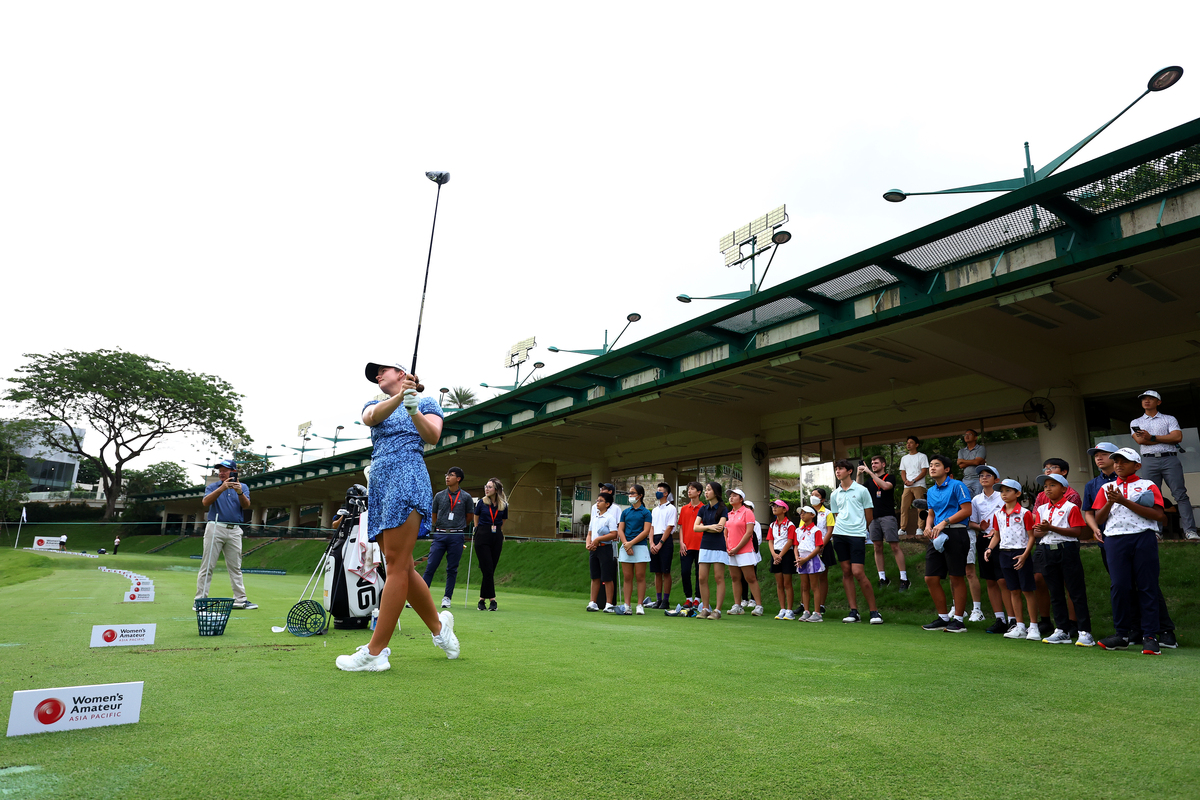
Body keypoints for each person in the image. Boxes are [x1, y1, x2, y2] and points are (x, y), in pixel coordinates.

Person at [336, 361, 458, 672]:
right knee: (399, 564)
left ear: (402, 373)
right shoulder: (375, 403)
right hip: (381, 483)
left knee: (396, 564)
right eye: (375, 373)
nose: (377, 375)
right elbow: (370, 418)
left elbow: (432, 436)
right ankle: (438, 626)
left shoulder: (427, 402)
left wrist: (414, 407)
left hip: (408, 477)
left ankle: (376, 651)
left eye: (383, 370)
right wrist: (400, 397)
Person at [1083, 442, 1177, 649]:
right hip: (1115, 539)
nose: (1118, 465)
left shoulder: (1147, 485)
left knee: (1147, 586)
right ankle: (1122, 635)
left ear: (1137, 465)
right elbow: (1099, 517)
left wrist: (1124, 501)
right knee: (1119, 586)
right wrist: (1110, 501)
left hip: (1143, 537)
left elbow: (1160, 516)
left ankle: (1151, 636)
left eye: (1124, 461)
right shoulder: (1106, 488)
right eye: (1116, 461)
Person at [1032, 473, 1094, 646]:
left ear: (1064, 489)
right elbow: (1036, 533)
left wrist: (1050, 527)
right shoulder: (1042, 509)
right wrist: (1045, 529)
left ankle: (1084, 631)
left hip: (1067, 550)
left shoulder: (1070, 507)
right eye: (1045, 486)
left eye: (1053, 485)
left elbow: (1076, 532)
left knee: (1075, 591)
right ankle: (1061, 630)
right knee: (1055, 592)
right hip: (1047, 550)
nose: (1048, 489)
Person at [1131, 389, 1197, 539]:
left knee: (1180, 494)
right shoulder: (1136, 422)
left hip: (1169, 459)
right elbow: (1141, 440)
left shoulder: (1169, 418)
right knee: (1152, 496)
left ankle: (1190, 531)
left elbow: (1177, 437)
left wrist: (1152, 437)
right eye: (1144, 399)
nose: (1146, 401)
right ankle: (1156, 532)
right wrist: (1166, 437)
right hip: (1148, 460)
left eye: (1151, 398)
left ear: (1158, 402)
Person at [195, 458, 257, 611]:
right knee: (208, 565)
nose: (221, 473)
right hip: (215, 527)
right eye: (220, 470)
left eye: (225, 470)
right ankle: (200, 600)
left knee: (235, 567)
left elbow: (246, 505)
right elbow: (205, 502)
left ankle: (240, 599)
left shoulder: (243, 487)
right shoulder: (213, 487)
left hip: (235, 529)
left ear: (233, 472)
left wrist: (239, 492)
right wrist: (222, 488)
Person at [920, 455, 972, 633]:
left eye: (937, 465)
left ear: (947, 469)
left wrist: (945, 522)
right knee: (930, 577)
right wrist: (928, 526)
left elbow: (967, 510)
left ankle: (958, 620)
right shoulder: (931, 491)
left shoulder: (958, 485)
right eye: (931, 465)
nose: (932, 468)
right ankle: (943, 617)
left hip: (956, 532)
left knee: (956, 577)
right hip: (937, 534)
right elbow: (931, 513)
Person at [982, 479, 1038, 640]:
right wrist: (989, 549)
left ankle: (1033, 626)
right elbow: (997, 535)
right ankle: (1020, 626)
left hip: (1021, 552)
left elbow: (1031, 536)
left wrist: (1025, 554)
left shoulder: (1025, 513)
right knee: (1013, 590)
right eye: (1002, 491)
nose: (1004, 494)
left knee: (1027, 590)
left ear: (1018, 494)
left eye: (1008, 491)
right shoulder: (998, 514)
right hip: (1004, 554)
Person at [829, 459, 881, 624]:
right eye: (836, 469)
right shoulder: (834, 494)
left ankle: (874, 612)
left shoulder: (862, 490)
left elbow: (869, 515)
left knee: (858, 572)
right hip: (839, 535)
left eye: (841, 469)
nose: (838, 472)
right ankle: (854, 611)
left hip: (857, 536)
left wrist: (860, 530)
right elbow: (837, 515)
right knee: (846, 572)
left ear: (849, 471)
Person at [967, 465, 1013, 633]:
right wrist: (980, 526)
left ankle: (1012, 619)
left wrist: (997, 529)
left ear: (996, 480)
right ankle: (1000, 619)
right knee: (990, 581)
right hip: (984, 540)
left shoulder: (1003, 497)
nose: (984, 477)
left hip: (1003, 541)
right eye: (981, 475)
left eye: (988, 475)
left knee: (1003, 580)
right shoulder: (976, 500)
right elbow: (971, 523)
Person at [423, 467, 474, 609]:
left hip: (457, 535)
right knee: (431, 566)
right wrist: (440, 525)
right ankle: (420, 598)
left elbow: (469, 516)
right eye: (446, 475)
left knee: (452, 568)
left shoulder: (466, 497)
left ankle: (447, 598)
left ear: (458, 479)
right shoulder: (439, 496)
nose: (447, 477)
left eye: (451, 475)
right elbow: (434, 515)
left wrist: (458, 525)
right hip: (440, 534)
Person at [860, 456, 908, 591]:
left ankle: (904, 578)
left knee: (894, 546)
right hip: (873, 518)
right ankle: (882, 578)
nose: (873, 465)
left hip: (887, 516)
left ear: (883, 464)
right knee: (877, 547)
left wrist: (869, 472)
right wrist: (859, 474)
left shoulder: (890, 477)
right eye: (871, 463)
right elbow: (858, 490)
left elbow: (886, 486)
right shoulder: (869, 482)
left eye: (876, 463)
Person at [724, 489, 763, 616]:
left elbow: (749, 533)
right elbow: (726, 533)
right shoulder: (728, 514)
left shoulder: (747, 512)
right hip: (731, 551)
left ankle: (758, 606)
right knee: (735, 578)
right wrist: (728, 547)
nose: (731, 498)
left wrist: (737, 548)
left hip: (745, 550)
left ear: (741, 499)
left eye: (734, 496)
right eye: (730, 496)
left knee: (750, 577)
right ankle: (737, 605)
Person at [693, 481, 729, 619]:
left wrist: (707, 527)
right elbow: (695, 527)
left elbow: (720, 528)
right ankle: (706, 608)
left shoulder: (723, 508)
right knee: (702, 578)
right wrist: (709, 527)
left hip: (718, 546)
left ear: (715, 492)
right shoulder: (703, 509)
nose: (706, 492)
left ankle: (717, 610)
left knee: (718, 578)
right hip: (705, 545)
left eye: (708, 490)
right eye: (706, 490)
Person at [617, 484, 653, 615]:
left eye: (633, 493)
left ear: (640, 496)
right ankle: (627, 605)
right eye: (630, 493)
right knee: (627, 577)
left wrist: (630, 543)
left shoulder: (646, 512)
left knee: (640, 576)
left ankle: (639, 605)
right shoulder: (625, 512)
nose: (630, 495)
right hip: (626, 547)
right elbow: (620, 530)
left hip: (640, 546)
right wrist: (626, 544)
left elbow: (646, 531)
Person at [473, 477, 507, 612]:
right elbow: (476, 518)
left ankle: (482, 600)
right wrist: (478, 530)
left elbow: (503, 520)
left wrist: (496, 530)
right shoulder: (481, 502)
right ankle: (492, 600)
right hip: (482, 534)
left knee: (490, 569)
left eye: (490, 487)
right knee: (487, 568)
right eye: (486, 486)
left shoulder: (503, 504)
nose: (486, 489)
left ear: (496, 490)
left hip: (496, 535)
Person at [672, 482, 704, 613]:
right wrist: (681, 542)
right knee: (685, 572)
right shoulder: (684, 509)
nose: (689, 491)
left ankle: (697, 598)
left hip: (701, 546)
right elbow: (681, 527)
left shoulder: (704, 508)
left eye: (692, 489)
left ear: (699, 492)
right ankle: (688, 598)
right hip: (686, 546)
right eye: (688, 489)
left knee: (699, 573)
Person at [586, 492, 620, 612]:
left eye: (600, 501)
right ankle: (593, 602)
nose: (597, 503)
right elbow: (589, 533)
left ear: (607, 504)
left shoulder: (610, 518)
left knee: (607, 577)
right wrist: (588, 544)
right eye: (597, 500)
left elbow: (613, 534)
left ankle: (609, 603)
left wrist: (598, 539)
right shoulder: (594, 517)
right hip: (594, 549)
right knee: (594, 576)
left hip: (605, 548)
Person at [795, 505, 827, 622]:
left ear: (812, 515)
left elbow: (818, 547)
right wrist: (797, 558)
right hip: (801, 559)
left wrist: (806, 558)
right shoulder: (798, 530)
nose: (802, 514)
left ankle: (817, 613)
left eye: (805, 512)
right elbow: (795, 546)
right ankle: (806, 611)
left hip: (812, 559)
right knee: (804, 586)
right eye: (801, 513)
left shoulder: (816, 530)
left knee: (814, 586)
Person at [647, 482, 677, 609]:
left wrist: (660, 544)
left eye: (660, 490)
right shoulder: (654, 510)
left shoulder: (671, 508)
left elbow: (669, 527)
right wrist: (652, 542)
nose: (657, 492)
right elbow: (651, 527)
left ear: (666, 493)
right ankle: (658, 599)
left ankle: (666, 600)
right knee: (657, 572)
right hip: (655, 539)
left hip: (665, 540)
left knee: (665, 571)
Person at [767, 499, 796, 619]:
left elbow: (790, 541)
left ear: (784, 510)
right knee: (779, 583)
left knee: (787, 583)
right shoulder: (772, 525)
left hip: (787, 554)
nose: (774, 508)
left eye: (777, 506)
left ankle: (789, 610)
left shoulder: (790, 524)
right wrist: (774, 554)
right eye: (773, 506)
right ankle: (782, 608)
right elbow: (770, 541)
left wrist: (780, 555)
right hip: (776, 554)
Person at [899, 436, 930, 537]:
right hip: (907, 486)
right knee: (904, 507)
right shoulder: (904, 458)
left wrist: (913, 480)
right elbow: (903, 471)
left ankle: (920, 528)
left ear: (917, 445)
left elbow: (924, 471)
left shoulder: (922, 456)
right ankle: (903, 528)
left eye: (911, 442)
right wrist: (905, 481)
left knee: (920, 507)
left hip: (919, 485)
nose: (908, 444)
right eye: (907, 443)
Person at [810, 487, 833, 616]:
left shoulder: (827, 513)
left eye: (817, 495)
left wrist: (821, 546)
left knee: (822, 576)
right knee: (808, 577)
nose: (813, 497)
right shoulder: (806, 512)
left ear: (823, 499)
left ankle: (821, 605)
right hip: (808, 547)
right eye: (812, 494)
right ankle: (805, 605)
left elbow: (829, 531)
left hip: (824, 546)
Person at [956, 429, 988, 496]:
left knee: (979, 500)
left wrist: (962, 461)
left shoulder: (980, 448)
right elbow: (960, 465)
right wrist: (975, 461)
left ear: (975, 437)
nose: (967, 436)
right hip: (966, 479)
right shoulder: (961, 451)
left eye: (970, 434)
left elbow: (976, 462)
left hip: (978, 479)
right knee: (966, 499)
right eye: (965, 435)